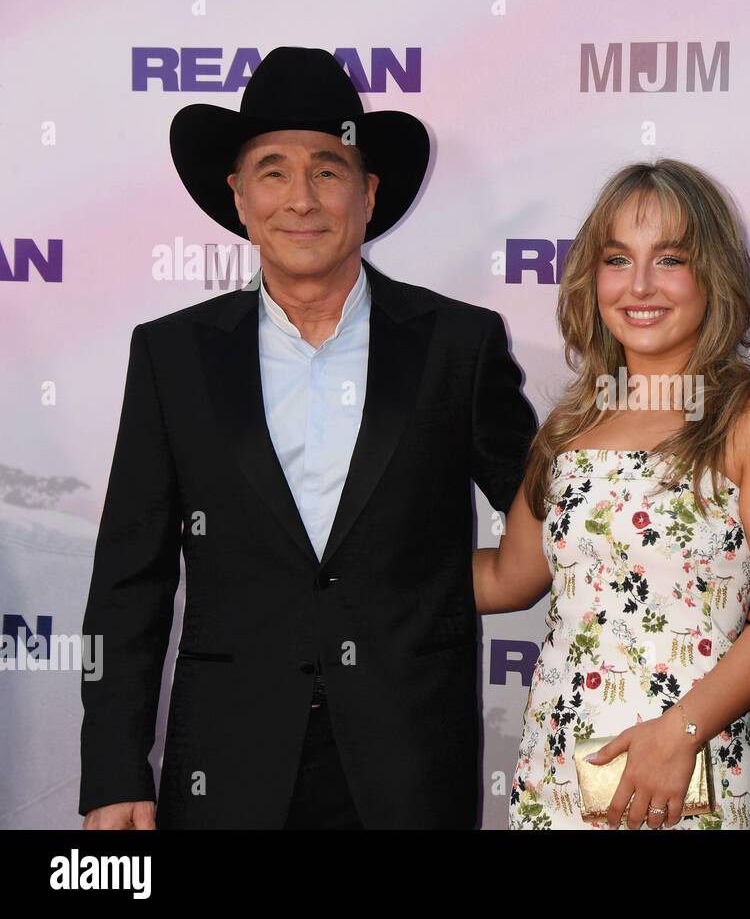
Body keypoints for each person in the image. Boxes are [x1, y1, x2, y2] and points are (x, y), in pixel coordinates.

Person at [79, 47, 536, 829]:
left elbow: (553, 508)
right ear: (240, 199)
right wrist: (116, 769)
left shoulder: (457, 346)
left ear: (368, 194)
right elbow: (130, 579)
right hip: (228, 762)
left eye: (328, 170)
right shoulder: (172, 355)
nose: (302, 199)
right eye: (273, 172)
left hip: (412, 760)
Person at [474, 159, 750, 829]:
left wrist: (679, 733)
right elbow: (506, 577)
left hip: (690, 766)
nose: (640, 285)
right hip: (560, 770)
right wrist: (348, 566)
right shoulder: (572, 427)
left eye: (670, 259)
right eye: (617, 259)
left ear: (711, 274)